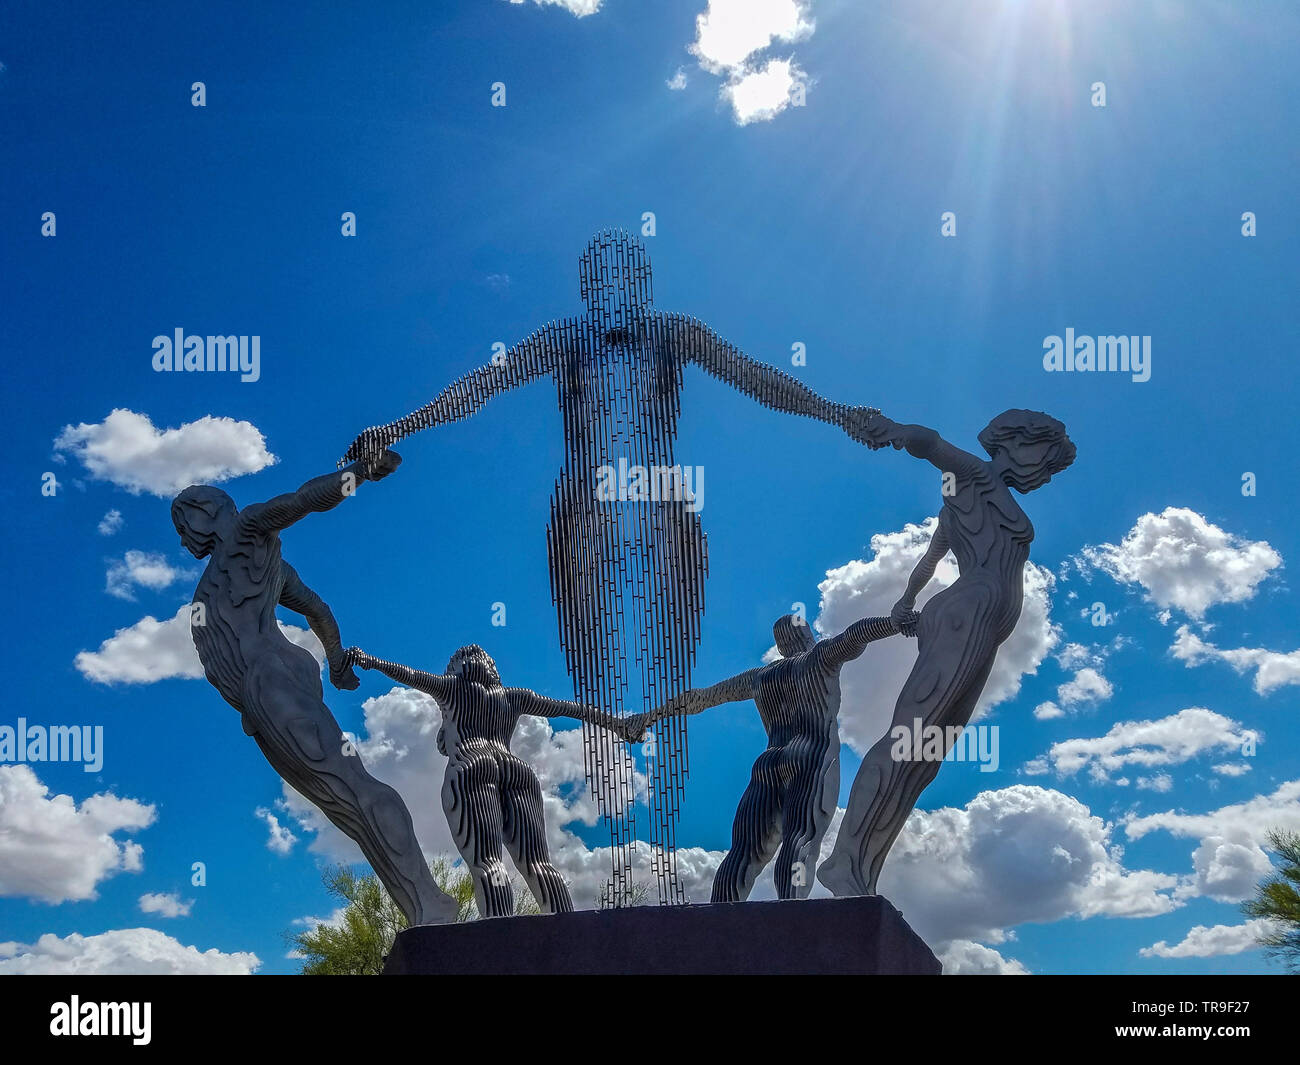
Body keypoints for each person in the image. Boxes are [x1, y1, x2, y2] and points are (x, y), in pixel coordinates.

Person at [171, 450, 458, 926]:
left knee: (353, 786)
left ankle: (431, 902)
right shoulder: (234, 577)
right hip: (262, 697)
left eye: (182, 526)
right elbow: (317, 610)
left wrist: (358, 473)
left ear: (202, 513)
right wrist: (337, 660)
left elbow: (303, 500)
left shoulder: (248, 531)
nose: (183, 540)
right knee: (342, 805)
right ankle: (422, 911)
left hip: (270, 680)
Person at [817, 409, 1076, 898]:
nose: (1045, 475)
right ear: (1021, 445)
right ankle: (843, 860)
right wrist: (895, 432)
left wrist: (906, 603)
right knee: (908, 738)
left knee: (925, 758)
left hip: (980, 620)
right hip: (967, 612)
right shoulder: (975, 474)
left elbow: (929, 559)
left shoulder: (963, 499)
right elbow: (929, 441)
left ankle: (861, 870)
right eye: (1048, 461)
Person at [348, 643, 643, 918]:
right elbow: (566, 708)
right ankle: (571, 935)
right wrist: (616, 724)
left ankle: (501, 940)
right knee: (540, 865)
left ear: (457, 668)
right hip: (516, 770)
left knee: (488, 863)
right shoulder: (512, 697)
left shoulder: (453, 689)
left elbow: (410, 675)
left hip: (472, 765)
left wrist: (369, 661)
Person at [631, 613, 898, 902]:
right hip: (811, 755)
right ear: (808, 637)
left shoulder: (759, 678)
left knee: (742, 853)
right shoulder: (821, 657)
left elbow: (702, 698)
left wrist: (649, 717)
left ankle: (717, 922)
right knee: (801, 838)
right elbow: (856, 634)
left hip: (768, 763)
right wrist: (898, 621)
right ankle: (790, 911)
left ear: (781, 647)